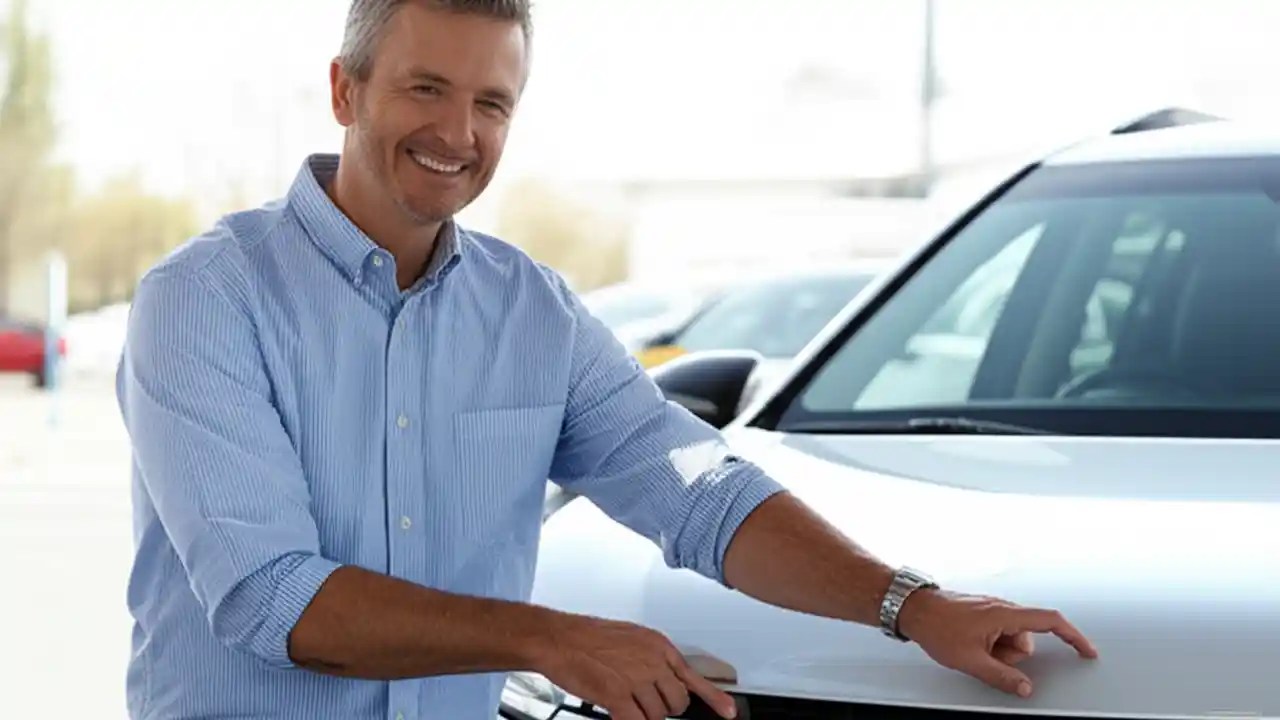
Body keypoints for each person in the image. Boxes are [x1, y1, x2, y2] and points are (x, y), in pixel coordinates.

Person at [115, 1, 1099, 719]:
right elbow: (271, 596)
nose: (459, 133)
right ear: (344, 87)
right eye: (426, 88)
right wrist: (551, 639)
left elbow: (696, 494)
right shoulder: (204, 300)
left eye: (491, 103)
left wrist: (910, 606)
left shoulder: (532, 312)